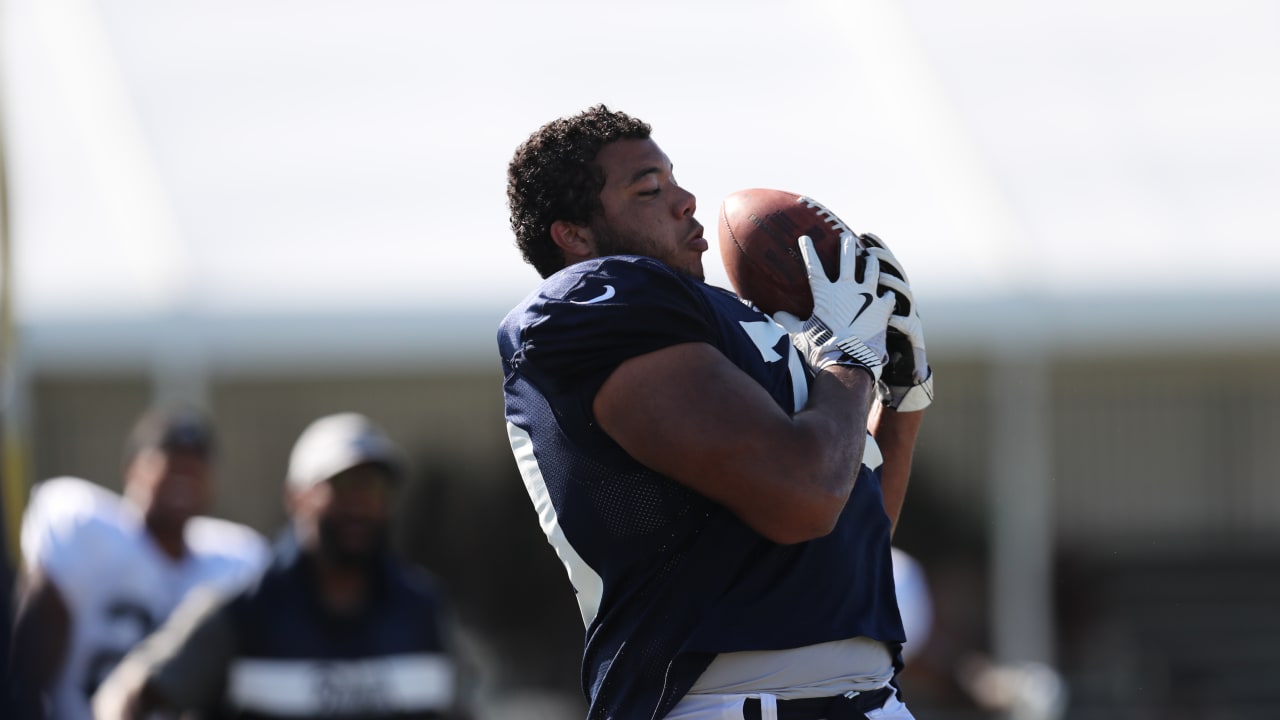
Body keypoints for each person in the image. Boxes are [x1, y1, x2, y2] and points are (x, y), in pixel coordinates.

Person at [498, 105, 934, 720]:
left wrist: (900, 395)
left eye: (675, 179)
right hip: (733, 702)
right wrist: (849, 357)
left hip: (866, 698)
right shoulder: (591, 299)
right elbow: (803, 497)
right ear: (572, 234)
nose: (686, 200)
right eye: (649, 188)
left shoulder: (732, 324)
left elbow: (846, 540)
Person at [92, 412, 467, 720]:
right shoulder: (242, 610)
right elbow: (126, 693)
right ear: (296, 496)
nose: (360, 503)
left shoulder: (424, 610)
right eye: (343, 485)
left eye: (375, 487)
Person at [9, 405, 269, 720]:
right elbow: (26, 664)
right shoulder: (86, 528)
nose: (183, 476)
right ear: (131, 468)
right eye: (169, 462)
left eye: (195, 466)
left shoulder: (238, 559)